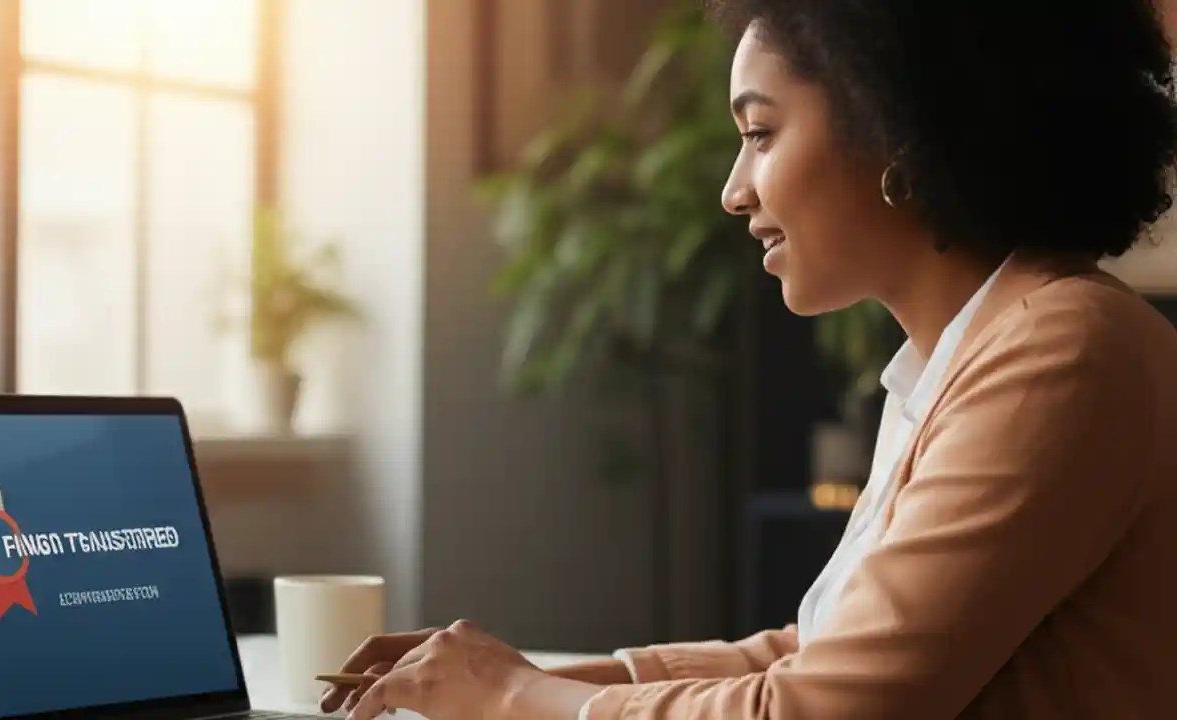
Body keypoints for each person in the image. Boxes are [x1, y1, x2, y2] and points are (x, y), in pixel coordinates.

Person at [323, 1, 1177, 717]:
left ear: (898, 129)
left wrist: (516, 697)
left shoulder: (1062, 351)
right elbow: (827, 649)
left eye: (761, 133)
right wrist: (519, 676)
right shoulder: (966, 355)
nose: (734, 189)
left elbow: (828, 708)